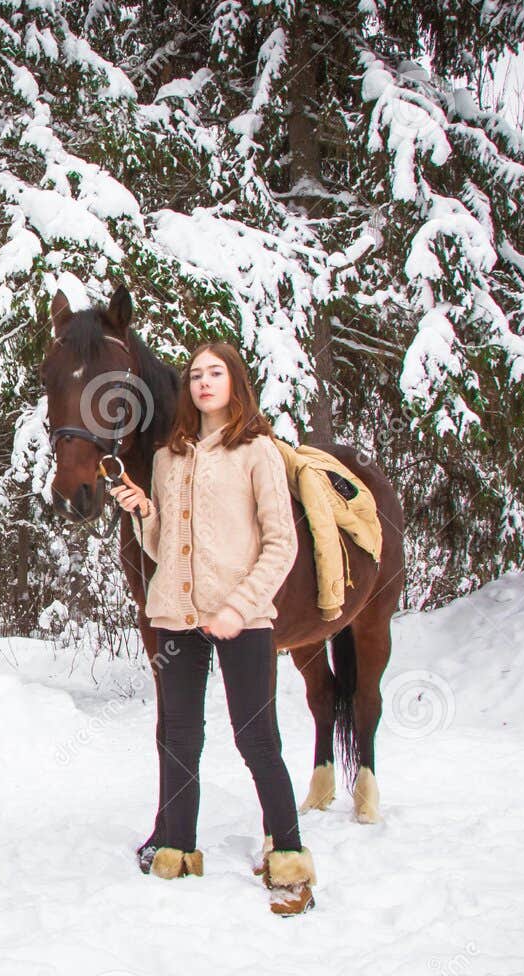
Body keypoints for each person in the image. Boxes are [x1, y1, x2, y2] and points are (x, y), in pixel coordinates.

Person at [109, 341, 318, 917]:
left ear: (235, 382)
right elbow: (162, 551)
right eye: (195, 375)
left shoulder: (257, 452)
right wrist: (144, 513)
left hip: (242, 620)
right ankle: (177, 847)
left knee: (257, 740)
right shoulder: (170, 458)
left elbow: (282, 544)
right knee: (179, 739)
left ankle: (290, 857)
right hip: (176, 619)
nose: (203, 383)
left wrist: (240, 606)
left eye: (215, 373)